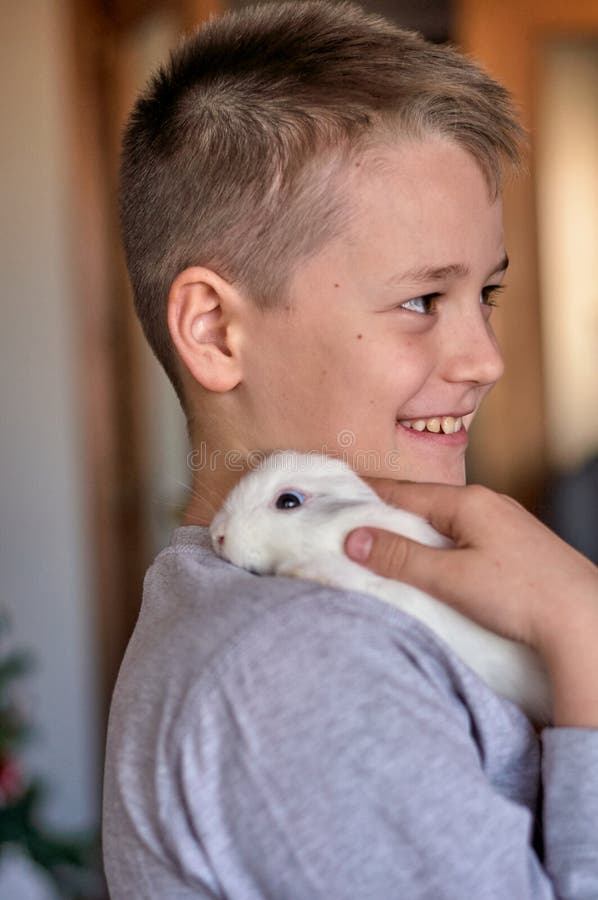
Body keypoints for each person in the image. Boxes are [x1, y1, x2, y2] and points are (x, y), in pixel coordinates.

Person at [102, 2, 598, 897]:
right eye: (421, 301)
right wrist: (588, 644)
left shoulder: (262, 614)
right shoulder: (303, 670)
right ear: (214, 330)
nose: (485, 359)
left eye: (485, 293)